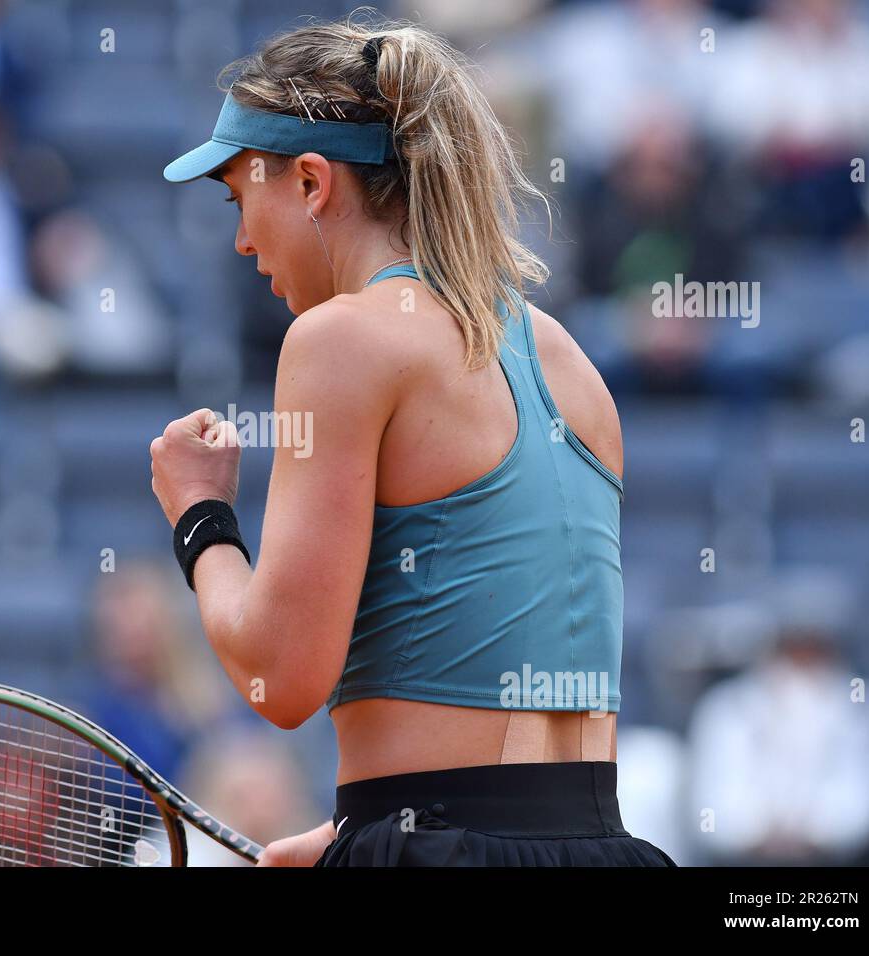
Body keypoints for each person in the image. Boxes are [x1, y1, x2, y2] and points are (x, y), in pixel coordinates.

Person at [149, 15, 675, 866]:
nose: (243, 240)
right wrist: (356, 829)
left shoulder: (341, 341)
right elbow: (499, 678)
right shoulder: (569, 360)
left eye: (242, 199)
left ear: (314, 184)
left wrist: (200, 514)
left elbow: (279, 678)